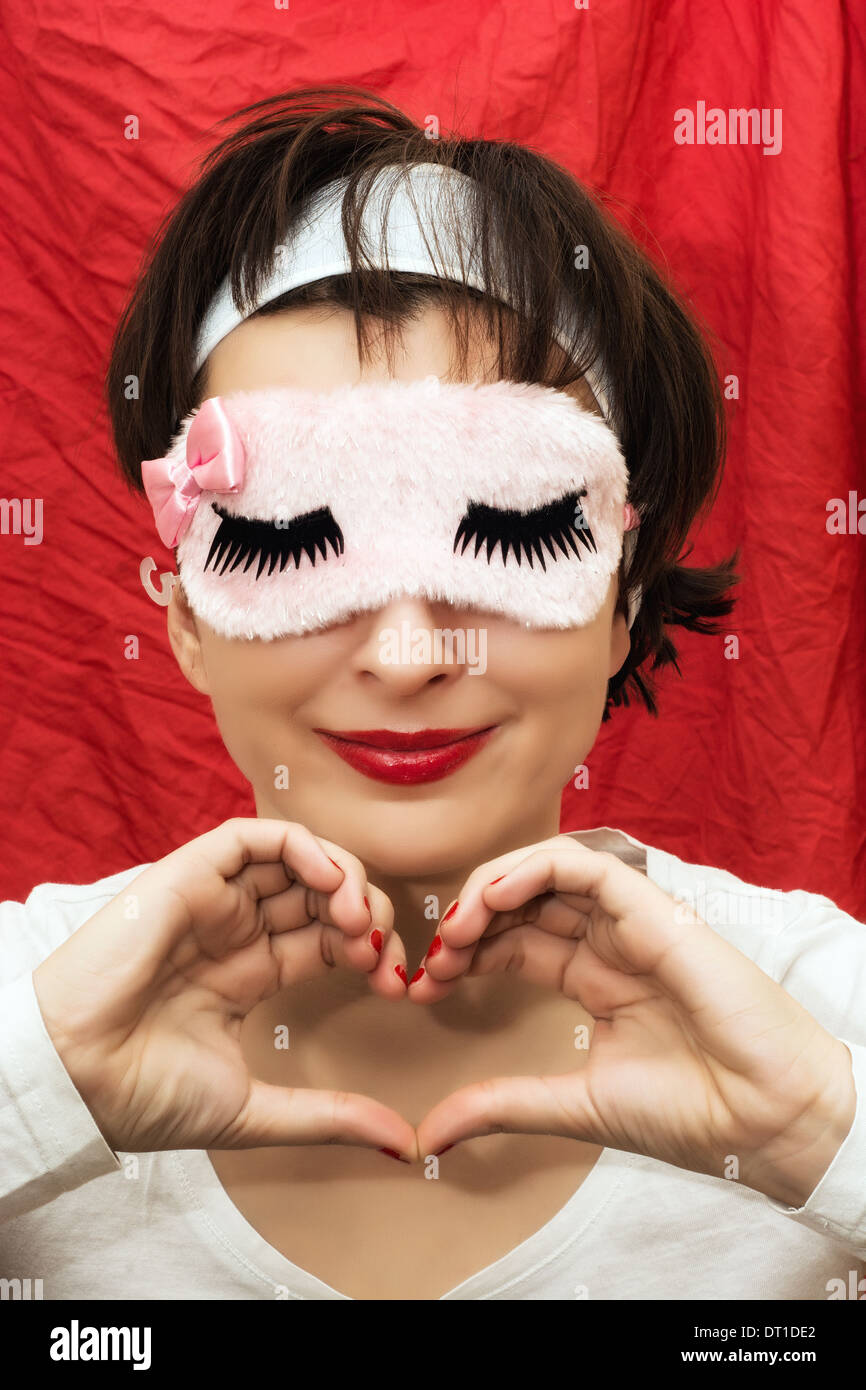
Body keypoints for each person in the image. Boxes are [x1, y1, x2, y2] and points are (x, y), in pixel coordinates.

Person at [1, 85, 863, 1303]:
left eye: (513, 530)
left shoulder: (826, 1014)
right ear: (182, 613)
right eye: (291, 539)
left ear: (623, 596)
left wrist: (826, 1141)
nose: (408, 655)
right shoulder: (24, 1001)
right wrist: (35, 1099)